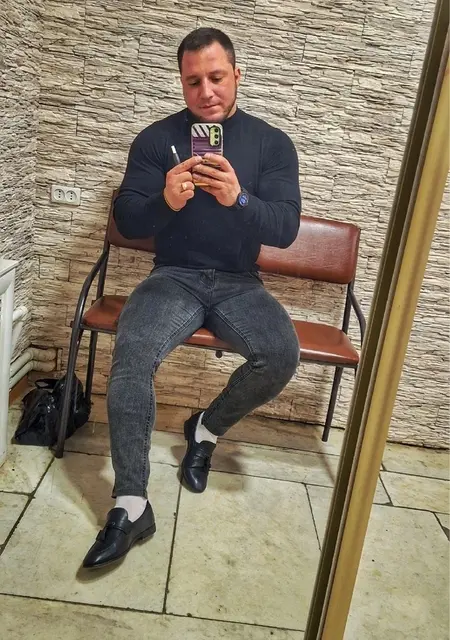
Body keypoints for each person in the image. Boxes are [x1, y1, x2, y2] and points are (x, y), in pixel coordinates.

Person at [83, 27, 301, 569]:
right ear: (182, 83)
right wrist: (166, 201)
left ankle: (205, 429)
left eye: (216, 77)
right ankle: (131, 505)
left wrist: (239, 198)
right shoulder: (157, 140)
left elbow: (285, 228)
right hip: (173, 276)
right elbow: (127, 219)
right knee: (132, 354)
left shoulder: (272, 144)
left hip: (239, 281)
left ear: (237, 75)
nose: (206, 91)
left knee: (280, 354)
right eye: (193, 81)